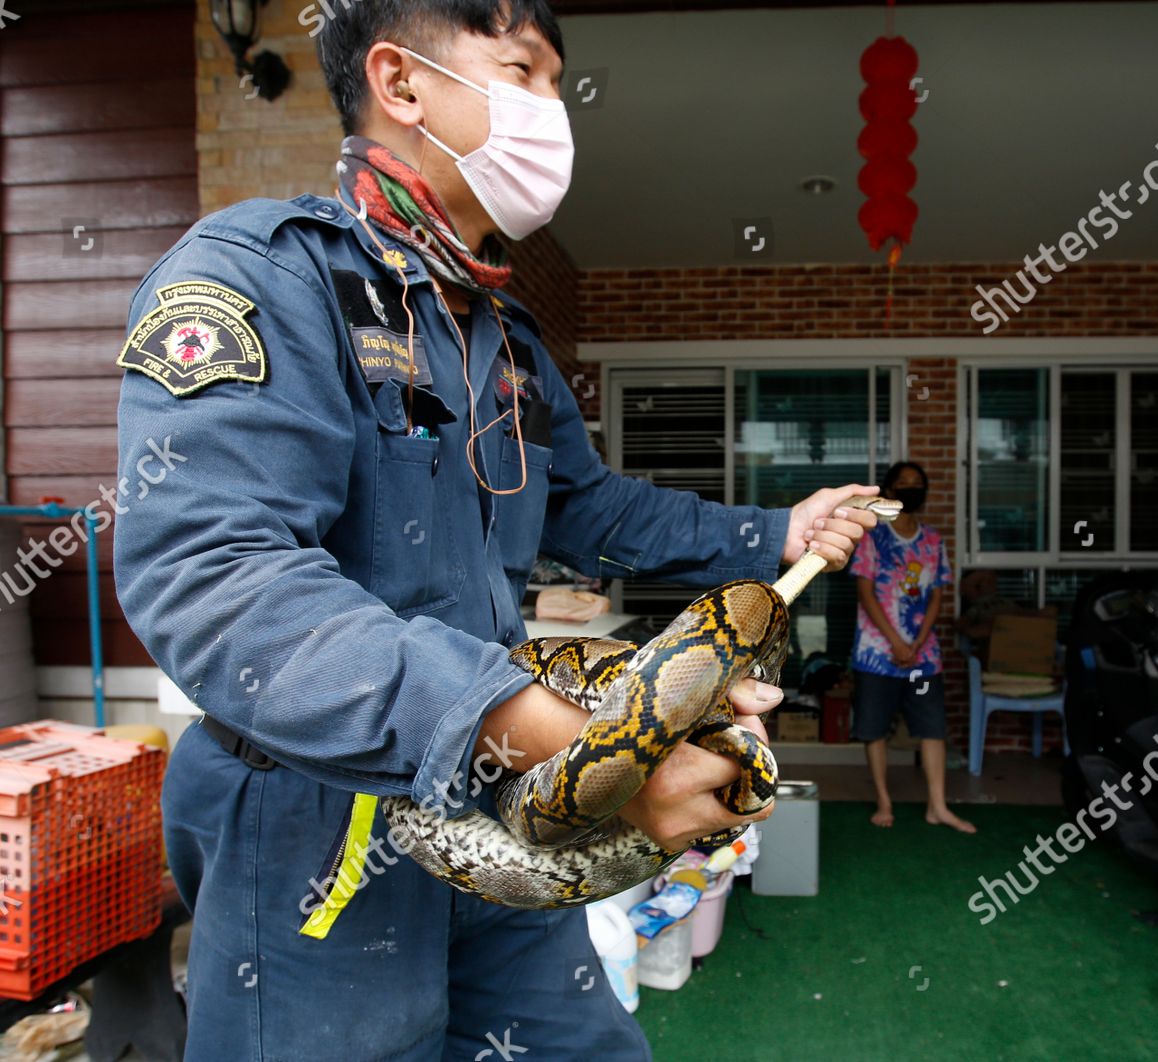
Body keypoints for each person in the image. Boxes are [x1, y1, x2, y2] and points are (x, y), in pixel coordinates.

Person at [110, 2, 878, 1057]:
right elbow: (215, 578)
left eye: (558, 82)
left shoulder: (505, 338)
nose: (553, 109)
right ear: (401, 82)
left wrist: (775, 531)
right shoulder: (266, 275)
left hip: (503, 794)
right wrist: (592, 746)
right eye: (523, 71)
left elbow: (590, 509)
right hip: (314, 825)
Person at [849, 462, 975, 833]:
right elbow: (865, 593)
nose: (910, 488)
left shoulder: (933, 540)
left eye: (917, 483)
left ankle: (938, 806)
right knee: (874, 729)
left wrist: (916, 643)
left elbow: (937, 594)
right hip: (876, 655)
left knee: (932, 727)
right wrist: (896, 641)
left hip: (923, 658)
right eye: (903, 483)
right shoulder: (873, 536)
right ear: (889, 490)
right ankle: (884, 801)